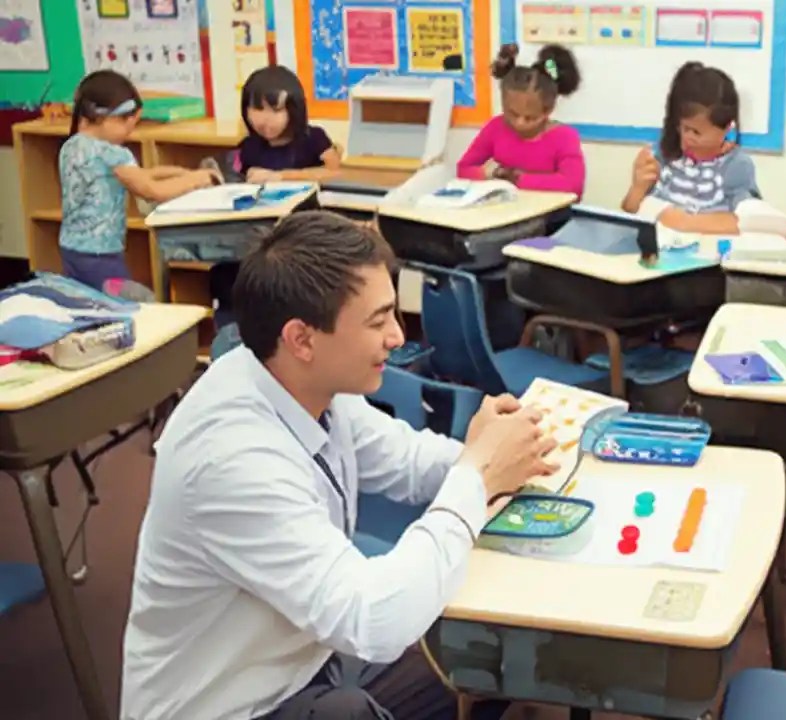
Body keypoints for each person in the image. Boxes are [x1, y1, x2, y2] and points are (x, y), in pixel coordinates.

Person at [121, 211, 557, 719]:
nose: (397, 337)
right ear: (302, 338)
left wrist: (512, 454)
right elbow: (373, 620)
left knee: (493, 653)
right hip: (233, 706)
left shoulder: (302, 379)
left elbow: (408, 461)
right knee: (354, 706)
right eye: (378, 321)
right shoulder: (230, 459)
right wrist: (478, 474)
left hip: (303, 660)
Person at [59, 70, 216, 291]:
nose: (129, 134)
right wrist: (197, 179)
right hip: (101, 257)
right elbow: (152, 191)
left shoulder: (72, 146)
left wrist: (180, 173)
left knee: (90, 305)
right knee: (134, 305)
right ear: (105, 117)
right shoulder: (113, 154)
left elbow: (139, 174)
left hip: (71, 251)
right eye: (128, 125)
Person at [621, 62, 758, 233]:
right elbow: (630, 212)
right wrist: (638, 188)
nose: (688, 137)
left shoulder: (736, 165)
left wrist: (681, 221)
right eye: (684, 128)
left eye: (696, 132)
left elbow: (746, 222)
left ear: (727, 128)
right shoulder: (662, 155)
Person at [457, 43, 585, 198]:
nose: (520, 123)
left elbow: (573, 186)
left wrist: (518, 180)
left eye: (530, 118)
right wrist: (489, 174)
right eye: (512, 114)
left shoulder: (564, 137)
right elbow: (463, 169)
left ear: (548, 110)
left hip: (548, 217)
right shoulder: (496, 127)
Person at [237, 65, 341, 183]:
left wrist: (281, 176)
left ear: (293, 109)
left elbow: (335, 173)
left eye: (276, 110)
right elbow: (229, 172)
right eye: (257, 109)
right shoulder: (248, 146)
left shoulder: (314, 138)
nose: (264, 119)